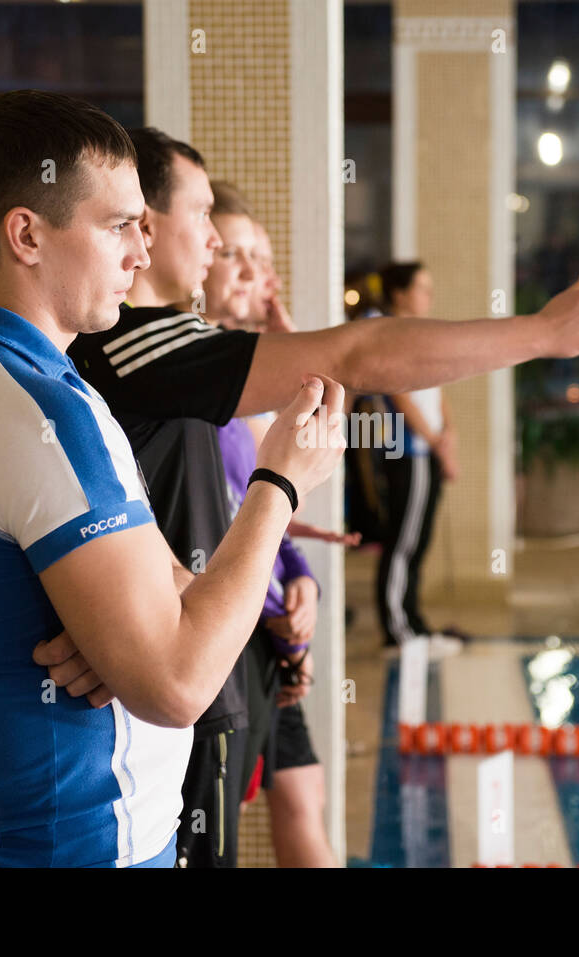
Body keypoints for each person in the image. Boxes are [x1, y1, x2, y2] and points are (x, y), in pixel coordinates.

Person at [66, 126, 579, 865]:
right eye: (203, 219)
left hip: (215, 657)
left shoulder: (164, 345)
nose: (217, 246)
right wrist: (540, 334)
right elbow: (361, 355)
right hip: (177, 677)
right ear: (149, 225)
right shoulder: (137, 345)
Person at [0, 89, 345, 868]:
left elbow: (165, 596)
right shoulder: (43, 411)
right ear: (26, 235)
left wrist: (126, 630)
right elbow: (177, 684)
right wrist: (281, 481)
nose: (140, 253)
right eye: (116, 227)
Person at [200, 181, 335, 866]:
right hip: (237, 636)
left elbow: (267, 515)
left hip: (268, 628)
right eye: (237, 253)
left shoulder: (241, 389)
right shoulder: (200, 396)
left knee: (303, 798)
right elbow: (207, 535)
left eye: (262, 258)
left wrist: (303, 579)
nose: (259, 275)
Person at [374, 261, 462, 654]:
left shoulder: (421, 333)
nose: (429, 295)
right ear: (399, 293)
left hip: (429, 450)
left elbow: (437, 392)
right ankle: (397, 630)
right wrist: (433, 440)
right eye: (421, 288)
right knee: (404, 541)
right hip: (407, 451)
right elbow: (399, 393)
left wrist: (449, 440)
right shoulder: (386, 331)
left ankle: (414, 621)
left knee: (420, 540)